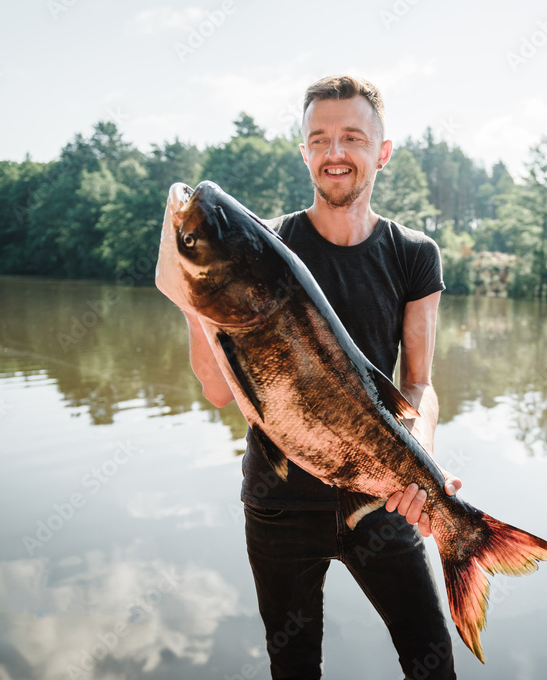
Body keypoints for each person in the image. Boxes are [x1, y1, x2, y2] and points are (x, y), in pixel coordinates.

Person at [181, 75, 461, 679]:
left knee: (432, 665)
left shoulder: (415, 253)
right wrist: (190, 293)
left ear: (382, 151)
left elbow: (419, 384)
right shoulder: (263, 246)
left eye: (353, 137)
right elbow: (214, 388)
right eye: (320, 139)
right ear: (304, 151)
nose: (335, 152)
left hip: (381, 499)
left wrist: (420, 466)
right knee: (294, 667)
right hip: (278, 506)